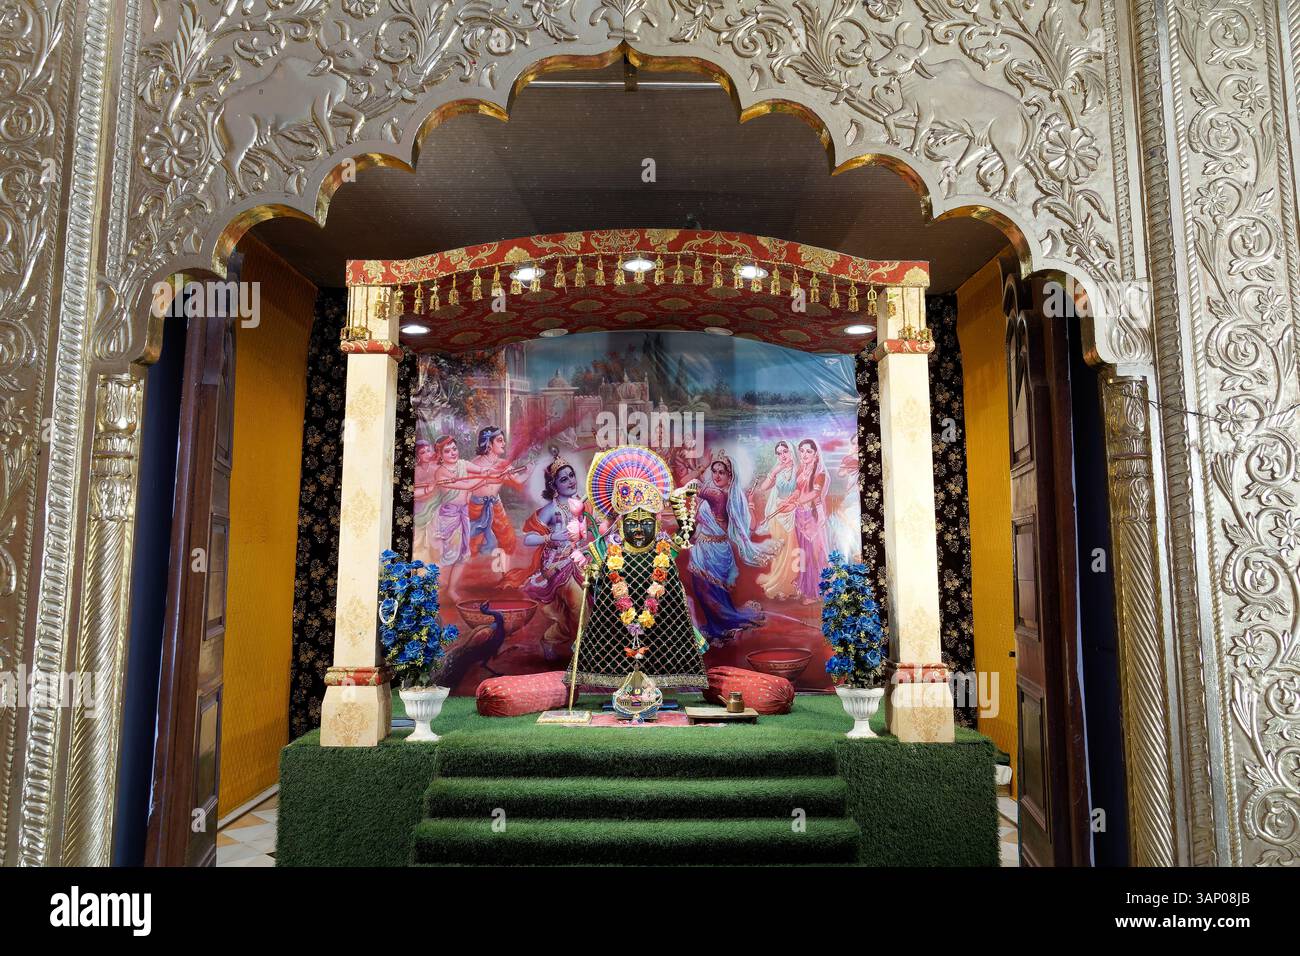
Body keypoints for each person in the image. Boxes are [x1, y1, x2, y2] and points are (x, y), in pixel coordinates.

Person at [570, 446, 708, 690]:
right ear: (621, 526)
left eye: (645, 523)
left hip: (661, 625)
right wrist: (591, 575)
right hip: (616, 626)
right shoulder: (610, 552)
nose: (637, 530)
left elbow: (684, 536)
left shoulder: (663, 551)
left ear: (655, 525)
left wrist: (684, 517)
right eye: (631, 523)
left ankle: (656, 688)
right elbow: (594, 586)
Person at [506, 448, 588, 661]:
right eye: (564, 479)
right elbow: (528, 538)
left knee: (594, 604)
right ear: (554, 486)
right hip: (558, 565)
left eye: (571, 476)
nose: (570, 481)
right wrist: (551, 537)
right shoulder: (552, 509)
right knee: (578, 605)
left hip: (584, 560)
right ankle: (583, 652)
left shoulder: (583, 504)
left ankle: (553, 638)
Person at [687, 450, 773, 644]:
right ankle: (719, 627)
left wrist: (702, 467)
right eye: (714, 471)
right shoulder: (725, 493)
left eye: (721, 472)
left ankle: (721, 628)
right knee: (710, 594)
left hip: (712, 552)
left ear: (730, 476)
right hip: (711, 548)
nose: (716, 476)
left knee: (709, 594)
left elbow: (688, 483)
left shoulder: (717, 495)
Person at [771, 438, 830, 604]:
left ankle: (814, 592)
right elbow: (797, 490)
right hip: (800, 516)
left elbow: (814, 494)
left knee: (813, 553)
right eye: (802, 451)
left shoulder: (820, 473)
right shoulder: (800, 471)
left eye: (808, 451)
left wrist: (796, 502)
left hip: (813, 517)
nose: (804, 454)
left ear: (816, 454)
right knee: (803, 553)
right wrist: (789, 500)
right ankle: (805, 588)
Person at [467, 426, 532, 556]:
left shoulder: (504, 464)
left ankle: (504, 568)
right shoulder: (474, 464)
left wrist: (530, 471)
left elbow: (518, 481)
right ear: (489, 444)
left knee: (508, 539)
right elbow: (467, 489)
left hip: (496, 505)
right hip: (475, 507)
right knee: (472, 543)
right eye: (500, 440)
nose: (504, 444)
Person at [753, 440, 799, 601]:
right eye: (779, 453)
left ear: (791, 451)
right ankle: (778, 582)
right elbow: (763, 487)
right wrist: (775, 470)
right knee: (779, 550)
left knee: (791, 550)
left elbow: (801, 491)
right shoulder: (778, 470)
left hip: (793, 513)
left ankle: (789, 584)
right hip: (777, 515)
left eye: (785, 451)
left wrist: (792, 502)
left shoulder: (799, 469)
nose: (782, 456)